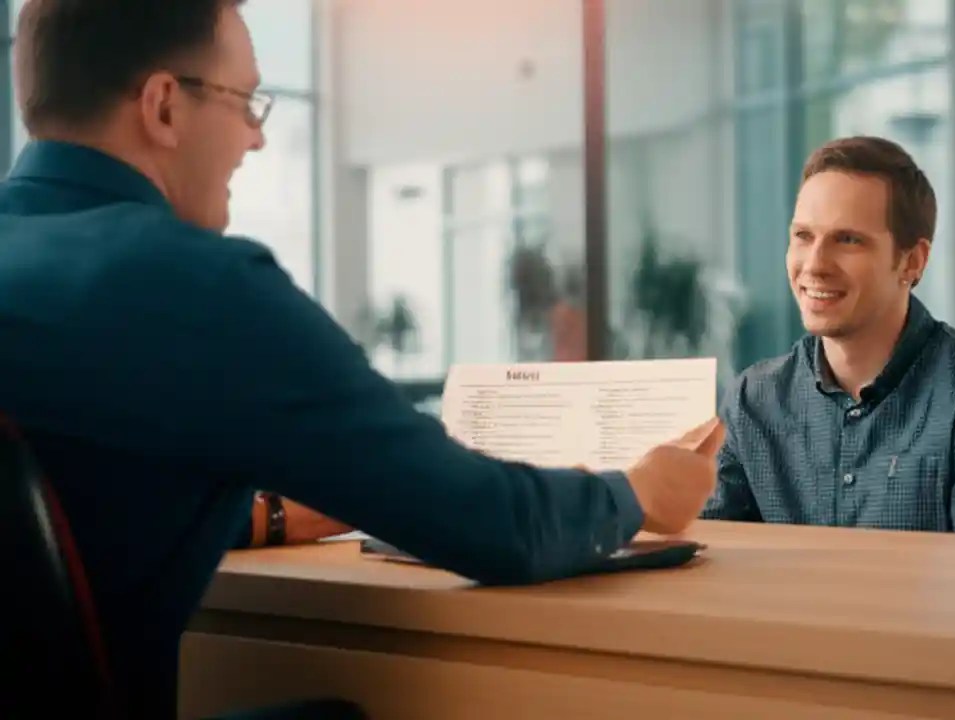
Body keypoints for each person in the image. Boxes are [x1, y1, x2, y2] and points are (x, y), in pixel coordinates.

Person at [0, 1, 722, 717]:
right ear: (163, 106)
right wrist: (635, 495)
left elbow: (80, 496)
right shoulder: (197, 287)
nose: (256, 138)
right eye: (244, 102)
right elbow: (490, 524)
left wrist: (265, 519)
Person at [702, 136, 955, 534]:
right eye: (803, 236)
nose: (815, 264)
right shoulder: (753, 401)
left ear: (912, 261)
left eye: (848, 240)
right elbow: (709, 553)